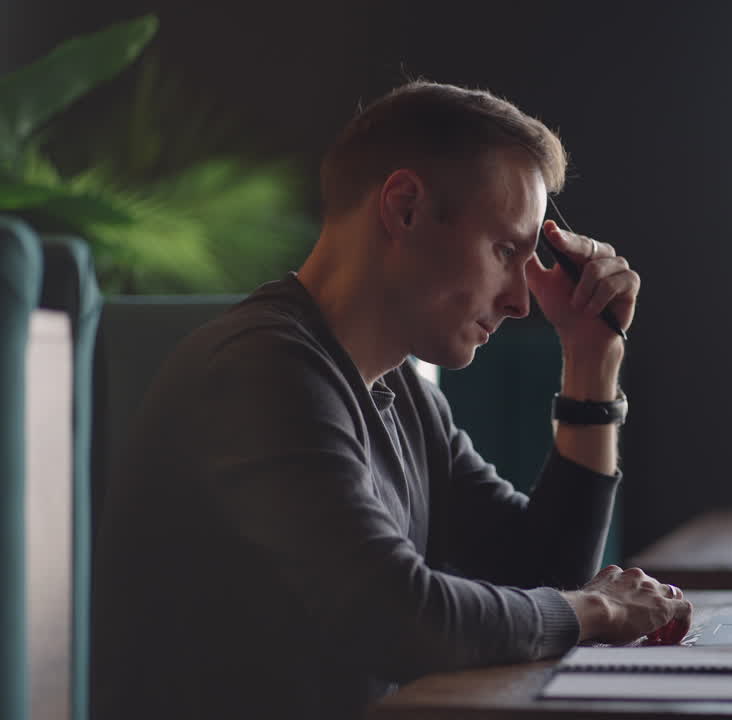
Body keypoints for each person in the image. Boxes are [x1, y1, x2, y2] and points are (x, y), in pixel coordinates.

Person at [91, 80, 691, 720]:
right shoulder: (259, 371)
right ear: (404, 208)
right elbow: (399, 617)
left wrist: (591, 361)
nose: (522, 302)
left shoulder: (402, 393)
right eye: (505, 250)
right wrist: (598, 610)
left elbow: (544, 572)